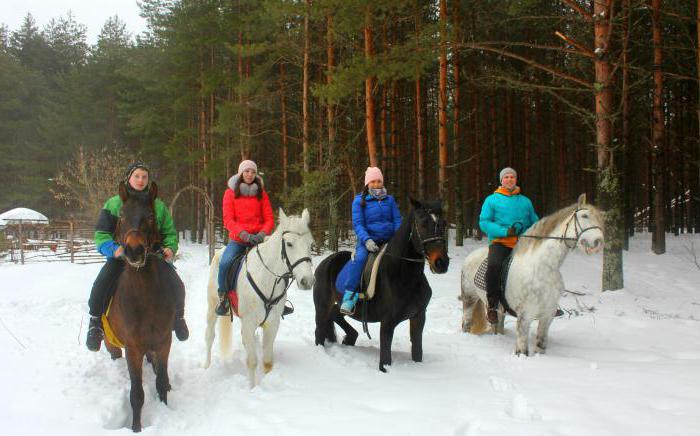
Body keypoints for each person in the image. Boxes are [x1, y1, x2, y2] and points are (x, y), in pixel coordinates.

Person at [86, 162, 189, 351]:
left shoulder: (158, 206)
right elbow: (101, 233)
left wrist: (169, 248)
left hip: (153, 257)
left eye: (144, 177)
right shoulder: (114, 203)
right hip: (122, 256)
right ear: (129, 178)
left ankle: (178, 318)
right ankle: (95, 324)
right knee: (102, 281)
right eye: (137, 176)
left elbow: (169, 232)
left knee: (176, 282)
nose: (141, 180)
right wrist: (113, 249)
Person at [215, 159, 284, 316]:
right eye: (247, 171)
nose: (250, 174)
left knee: (277, 265)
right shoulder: (230, 193)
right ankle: (224, 298)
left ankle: (280, 301)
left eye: (253, 172)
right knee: (225, 263)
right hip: (239, 240)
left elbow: (269, 219)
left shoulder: (262, 194)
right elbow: (228, 220)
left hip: (259, 240)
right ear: (240, 173)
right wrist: (243, 234)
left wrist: (261, 234)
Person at [479, 167, 539, 324]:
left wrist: (537, 231)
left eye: (512, 177)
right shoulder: (491, 200)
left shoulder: (526, 201)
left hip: (523, 244)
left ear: (516, 180)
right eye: (506, 177)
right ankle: (492, 306)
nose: (510, 179)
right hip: (500, 243)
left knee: (541, 266)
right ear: (501, 180)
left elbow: (534, 221)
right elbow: (484, 222)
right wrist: (505, 231)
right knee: (494, 266)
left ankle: (543, 303)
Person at [340, 167, 402, 315]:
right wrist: (367, 240)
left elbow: (397, 220)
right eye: (373, 181)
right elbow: (358, 223)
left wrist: (398, 237)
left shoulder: (390, 200)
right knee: (360, 259)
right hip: (368, 241)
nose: (376, 184)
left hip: (389, 240)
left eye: (379, 181)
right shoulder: (358, 201)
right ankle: (350, 296)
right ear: (367, 183)